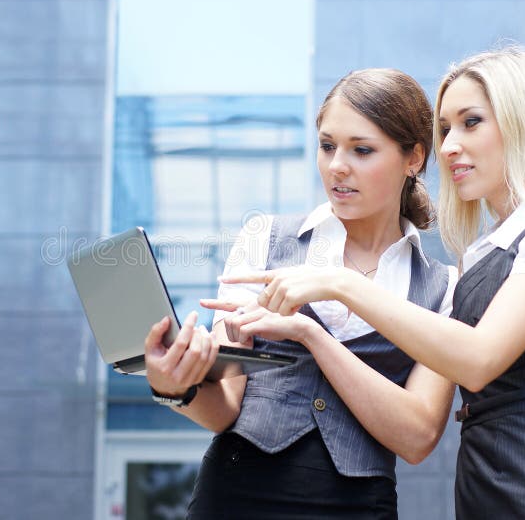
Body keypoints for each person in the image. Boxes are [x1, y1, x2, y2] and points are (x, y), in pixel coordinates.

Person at [224, 46, 525, 519]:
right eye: (444, 129)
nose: (450, 144)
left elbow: (477, 359)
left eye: (471, 122)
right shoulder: (484, 252)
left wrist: (341, 284)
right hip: (488, 484)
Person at [144, 68, 458, 519]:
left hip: (356, 507)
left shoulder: (442, 288)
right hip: (237, 495)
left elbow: (417, 436)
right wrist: (176, 388)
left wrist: (312, 336)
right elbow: (225, 407)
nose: (337, 167)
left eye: (361, 150)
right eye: (327, 146)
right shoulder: (263, 238)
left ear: (414, 158)